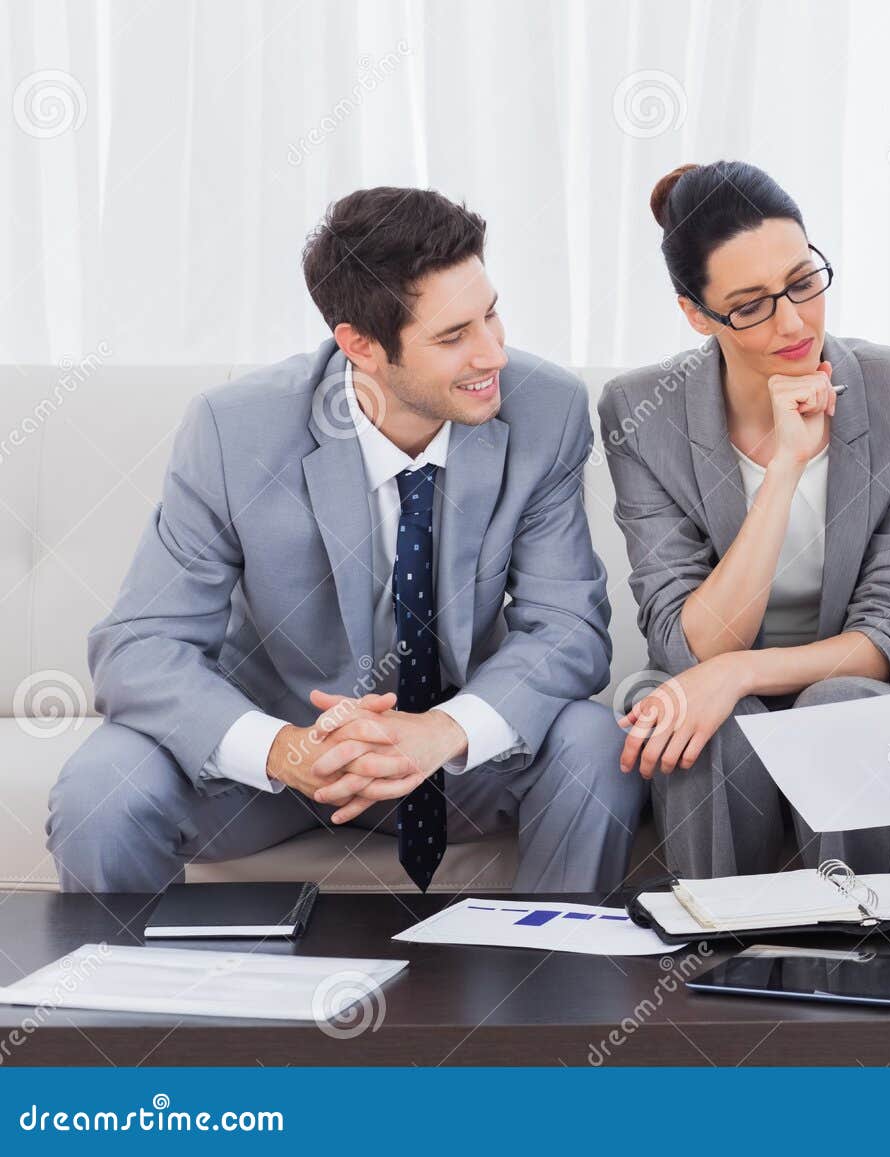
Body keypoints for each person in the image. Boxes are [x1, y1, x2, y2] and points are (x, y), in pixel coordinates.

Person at [47, 187, 645, 894]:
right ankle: (141, 1005)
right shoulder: (233, 429)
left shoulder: (547, 410)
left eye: (491, 313)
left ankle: (553, 985)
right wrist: (282, 750)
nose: (495, 353)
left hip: (456, 765)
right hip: (275, 765)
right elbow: (140, 646)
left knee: (596, 746)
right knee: (98, 793)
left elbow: (568, 630)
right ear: (359, 344)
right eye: (454, 336)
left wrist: (442, 732)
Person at [599, 160, 890, 878]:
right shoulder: (641, 415)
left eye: (803, 283)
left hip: (866, 685)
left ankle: (863, 972)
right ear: (696, 313)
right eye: (750, 305)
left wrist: (739, 671)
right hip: (715, 690)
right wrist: (786, 468)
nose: (795, 322)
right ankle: (717, 972)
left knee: (840, 708)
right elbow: (691, 647)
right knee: (709, 730)